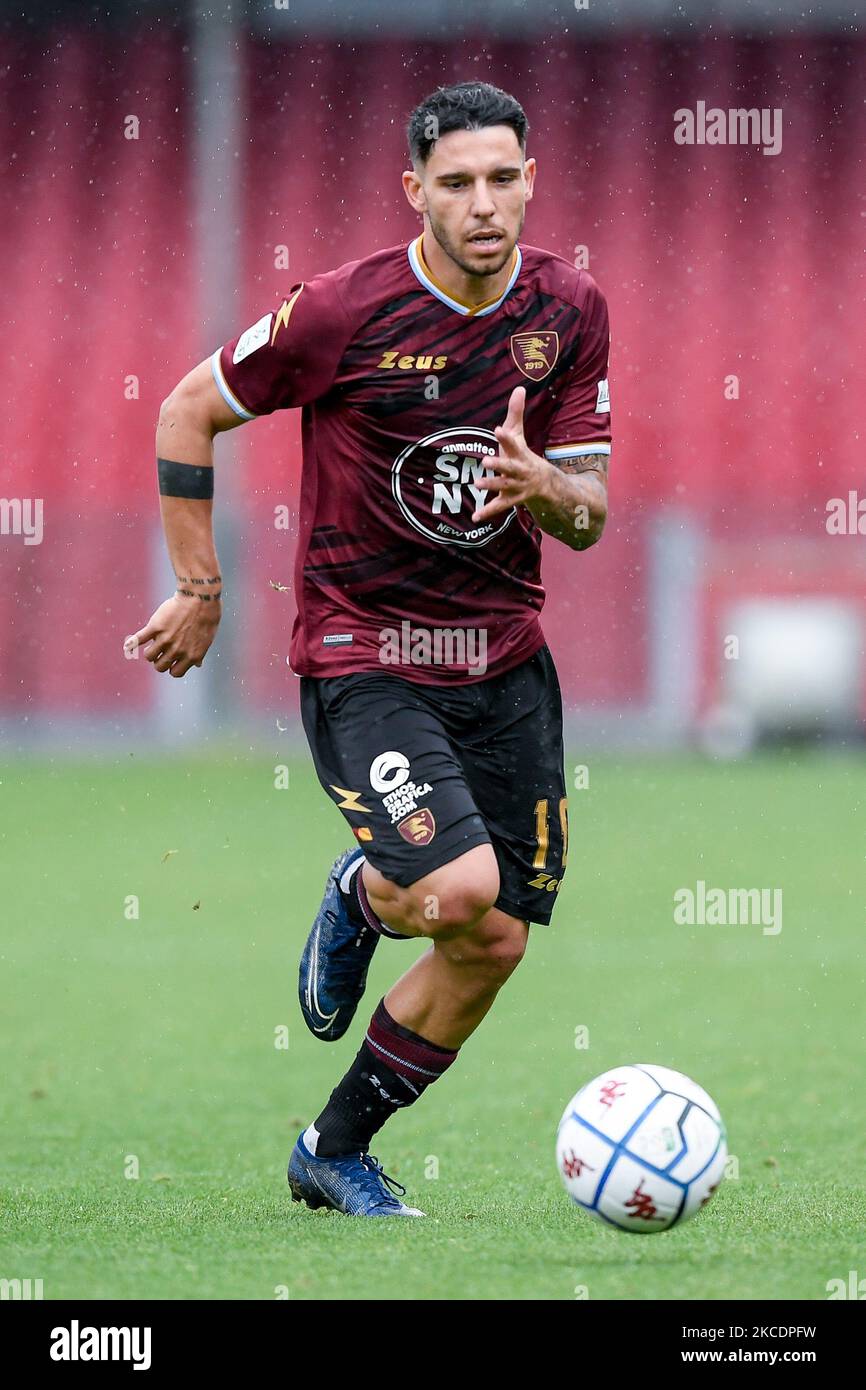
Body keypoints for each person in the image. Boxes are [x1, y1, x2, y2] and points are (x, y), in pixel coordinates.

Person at [126, 80, 612, 1217]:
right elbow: (185, 410)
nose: (483, 204)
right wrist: (201, 585)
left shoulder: (570, 309)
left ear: (530, 181)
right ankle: (363, 887)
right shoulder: (341, 312)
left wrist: (547, 487)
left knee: (489, 939)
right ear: (415, 192)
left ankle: (329, 1149)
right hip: (366, 654)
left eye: (502, 179)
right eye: (456, 183)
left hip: (504, 663)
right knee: (453, 886)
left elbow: (587, 518)